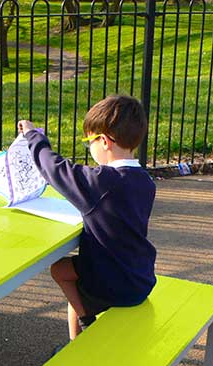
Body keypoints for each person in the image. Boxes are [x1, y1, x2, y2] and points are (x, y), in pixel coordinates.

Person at [18, 94, 156, 341]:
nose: (88, 147)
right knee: (73, 270)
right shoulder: (145, 181)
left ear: (104, 141)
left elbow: (53, 167)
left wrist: (33, 135)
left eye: (88, 141)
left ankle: (83, 332)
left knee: (60, 271)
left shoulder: (99, 182)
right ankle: (81, 336)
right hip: (140, 277)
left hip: (112, 284)